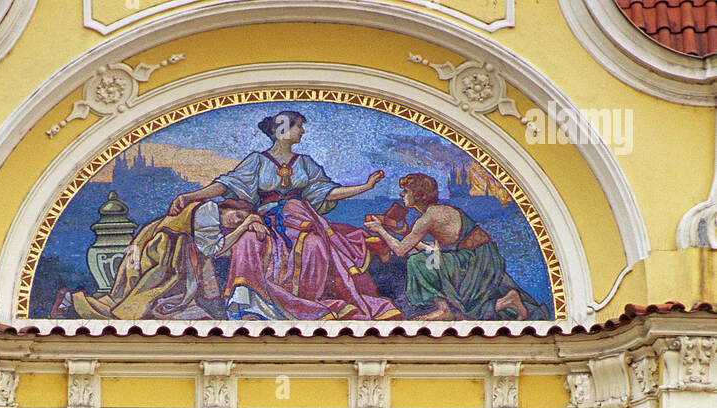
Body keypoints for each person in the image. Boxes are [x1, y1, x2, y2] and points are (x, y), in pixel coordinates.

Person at [168, 109, 401, 320]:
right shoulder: (257, 161)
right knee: (249, 240)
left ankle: (307, 306)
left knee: (316, 245)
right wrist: (190, 197)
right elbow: (225, 185)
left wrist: (365, 187)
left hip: (302, 220)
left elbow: (327, 193)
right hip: (268, 221)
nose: (302, 131)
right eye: (299, 125)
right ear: (281, 130)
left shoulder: (305, 163)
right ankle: (248, 306)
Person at [365, 173, 549, 320]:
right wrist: (404, 233)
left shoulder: (429, 217)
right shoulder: (438, 212)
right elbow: (434, 252)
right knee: (430, 264)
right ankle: (507, 301)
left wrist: (380, 229)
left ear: (419, 194)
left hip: (475, 261)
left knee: (417, 262)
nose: (402, 195)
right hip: (477, 257)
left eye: (406, 191)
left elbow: (400, 250)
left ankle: (443, 309)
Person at [51, 198, 268, 319]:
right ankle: (73, 300)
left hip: (171, 252)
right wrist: (244, 226)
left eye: (239, 219)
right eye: (236, 215)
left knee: (148, 300)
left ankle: (72, 300)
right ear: (225, 206)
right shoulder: (208, 211)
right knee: (144, 297)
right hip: (165, 253)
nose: (233, 221)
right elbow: (213, 249)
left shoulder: (211, 220)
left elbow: (216, 248)